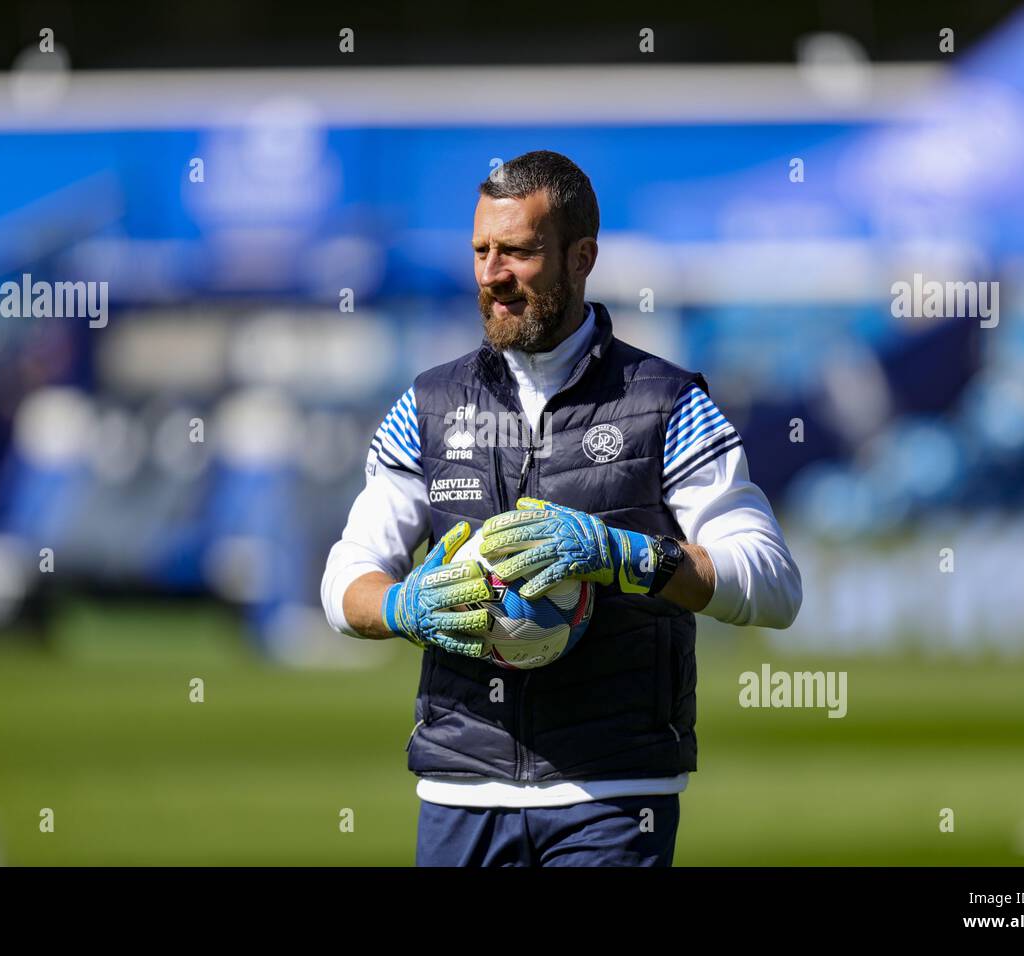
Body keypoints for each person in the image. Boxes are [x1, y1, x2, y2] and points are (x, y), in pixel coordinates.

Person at [321, 150, 802, 866]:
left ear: (582, 257)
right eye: (482, 251)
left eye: (517, 252)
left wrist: (629, 556)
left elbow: (773, 584)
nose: (492, 275)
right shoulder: (426, 407)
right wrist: (401, 607)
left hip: (611, 793)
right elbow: (345, 579)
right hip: (461, 792)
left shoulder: (667, 404)